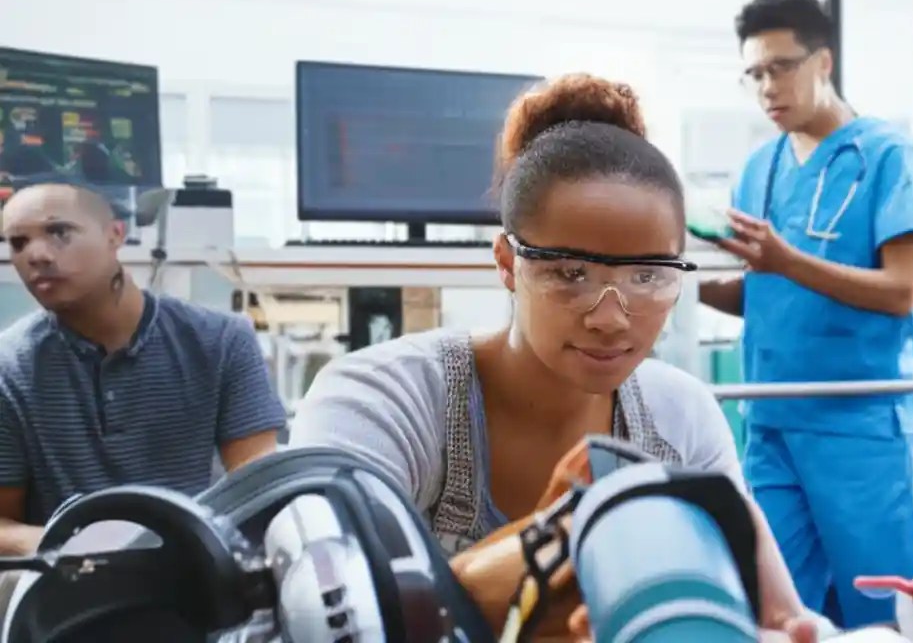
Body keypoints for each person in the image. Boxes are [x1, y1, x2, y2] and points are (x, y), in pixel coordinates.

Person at [290, 74, 826, 640]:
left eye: (648, 276)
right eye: (570, 273)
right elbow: (327, 613)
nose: (610, 317)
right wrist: (563, 543)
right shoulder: (383, 401)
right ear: (506, 262)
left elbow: (766, 612)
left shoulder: (681, 417)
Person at [699, 0, 913, 628]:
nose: (766, 87)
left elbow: (902, 289)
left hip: (858, 424)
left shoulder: (887, 156)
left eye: (780, 67)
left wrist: (786, 261)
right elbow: (765, 296)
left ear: (823, 62)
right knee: (781, 613)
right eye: (754, 74)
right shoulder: (759, 169)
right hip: (770, 420)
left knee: (877, 613)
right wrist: (671, 282)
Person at [0, 181, 286, 555]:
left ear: (115, 235)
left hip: (198, 568)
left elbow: (260, 492)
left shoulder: (223, 340)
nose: (36, 254)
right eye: (18, 242)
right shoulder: (9, 368)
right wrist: (82, 547)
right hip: (67, 578)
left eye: (59, 232)